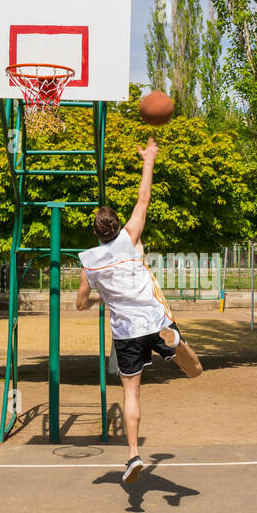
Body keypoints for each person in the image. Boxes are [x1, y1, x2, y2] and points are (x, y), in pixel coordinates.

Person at [76, 137, 202, 484]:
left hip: (126, 331)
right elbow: (143, 198)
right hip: (155, 316)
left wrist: (100, 295)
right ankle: (175, 343)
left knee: (131, 393)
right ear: (116, 227)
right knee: (196, 372)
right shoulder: (130, 237)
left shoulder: (89, 263)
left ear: (96, 233)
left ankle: (132, 456)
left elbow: (80, 303)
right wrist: (148, 159)